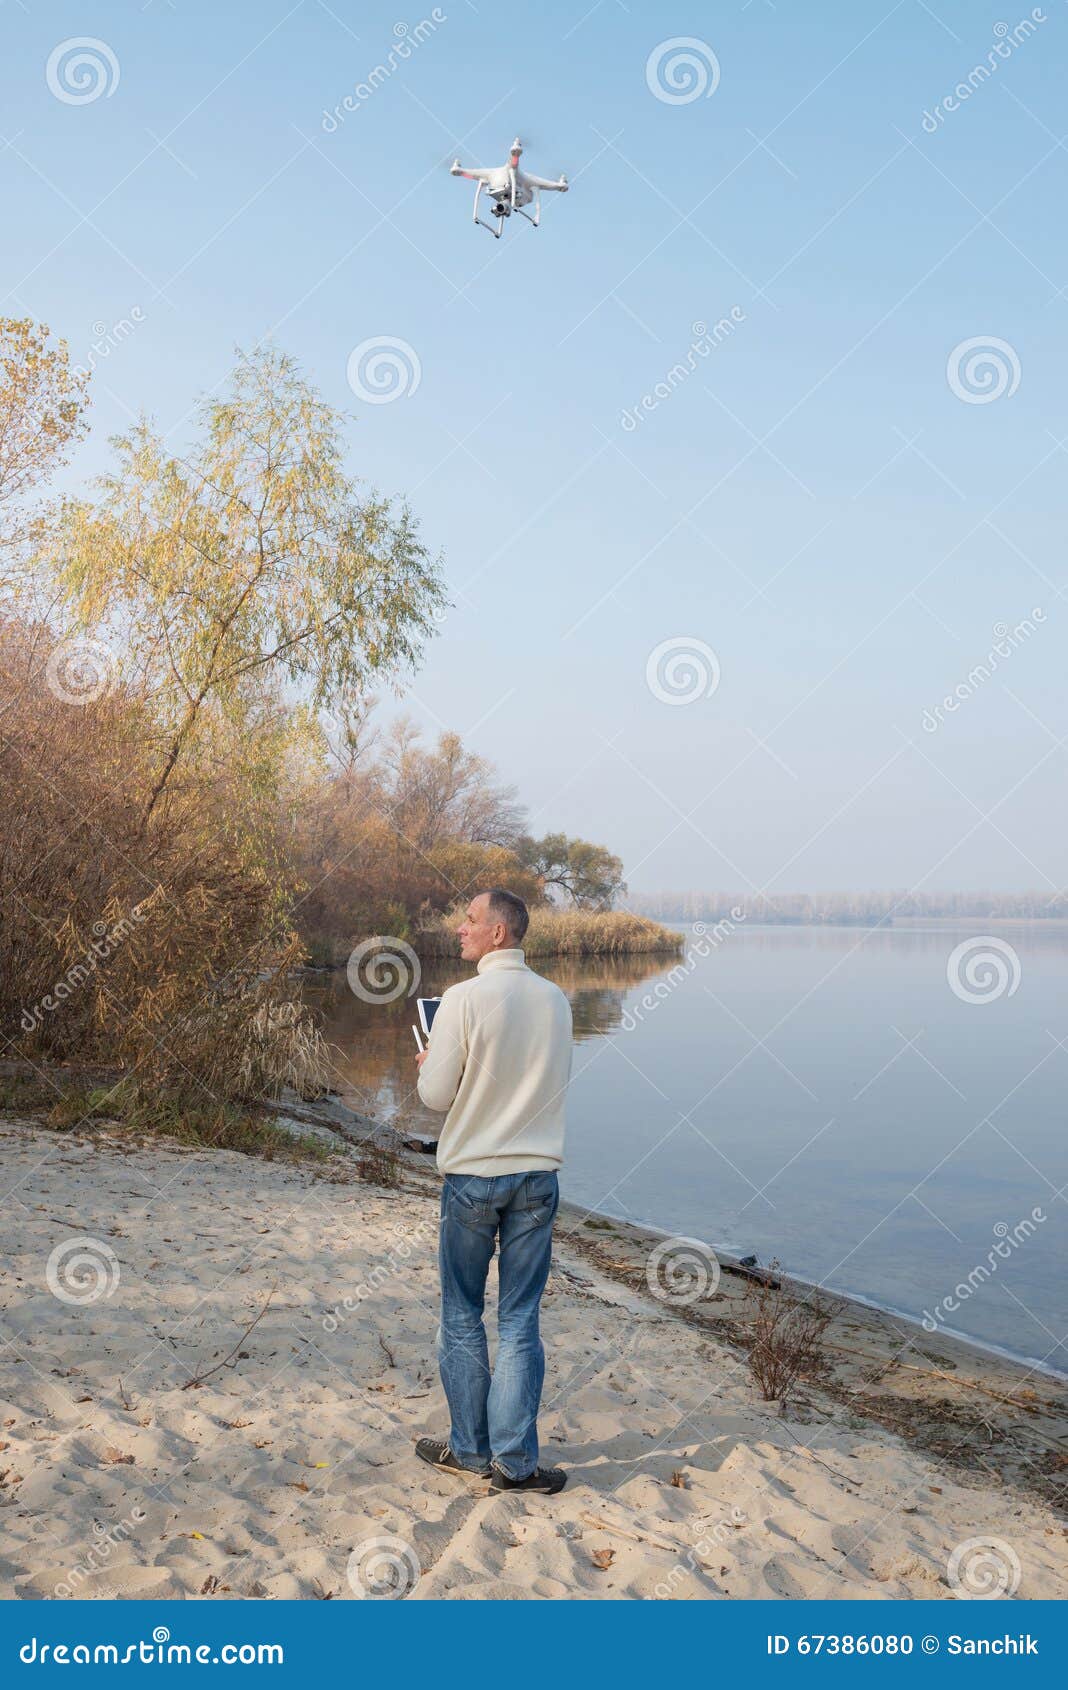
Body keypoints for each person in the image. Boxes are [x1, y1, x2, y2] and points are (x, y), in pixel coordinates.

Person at [414, 889, 573, 1494]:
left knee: (461, 1314)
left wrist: (429, 1061)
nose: (461, 928)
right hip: (537, 1177)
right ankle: (514, 1462)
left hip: (474, 1175)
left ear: (499, 933)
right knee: (520, 1319)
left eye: (471, 921)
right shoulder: (556, 1000)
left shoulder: (462, 999)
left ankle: (470, 1451)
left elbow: (435, 1096)